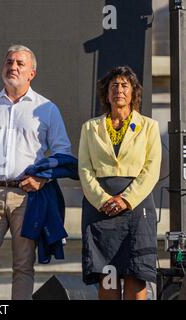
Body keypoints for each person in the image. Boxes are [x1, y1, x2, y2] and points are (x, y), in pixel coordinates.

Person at [0, 45, 72, 300]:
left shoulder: (47, 109)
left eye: (20, 63)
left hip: (26, 196)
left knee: (23, 265)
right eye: (9, 62)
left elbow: (62, 153)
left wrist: (43, 178)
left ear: (32, 72)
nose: (13, 67)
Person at [78, 66, 161, 300]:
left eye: (125, 85)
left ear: (134, 93)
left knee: (135, 275)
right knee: (109, 275)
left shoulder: (149, 126)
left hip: (137, 211)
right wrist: (103, 200)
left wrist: (126, 199)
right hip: (101, 212)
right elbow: (84, 169)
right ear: (106, 94)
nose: (119, 90)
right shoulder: (90, 128)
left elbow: (151, 169)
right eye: (114, 85)